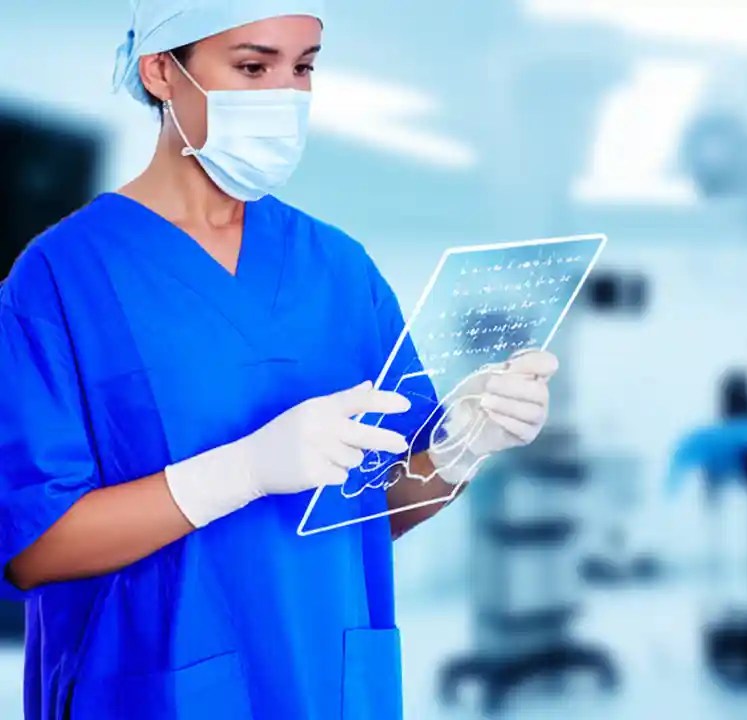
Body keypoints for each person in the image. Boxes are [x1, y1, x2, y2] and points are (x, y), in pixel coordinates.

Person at [0, 2, 558, 717]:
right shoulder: (62, 276)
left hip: (328, 684)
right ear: (162, 72)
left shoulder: (339, 269)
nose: (285, 95)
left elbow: (378, 509)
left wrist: (462, 449)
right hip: (156, 690)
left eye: (303, 67)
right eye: (252, 66)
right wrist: (243, 471)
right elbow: (34, 548)